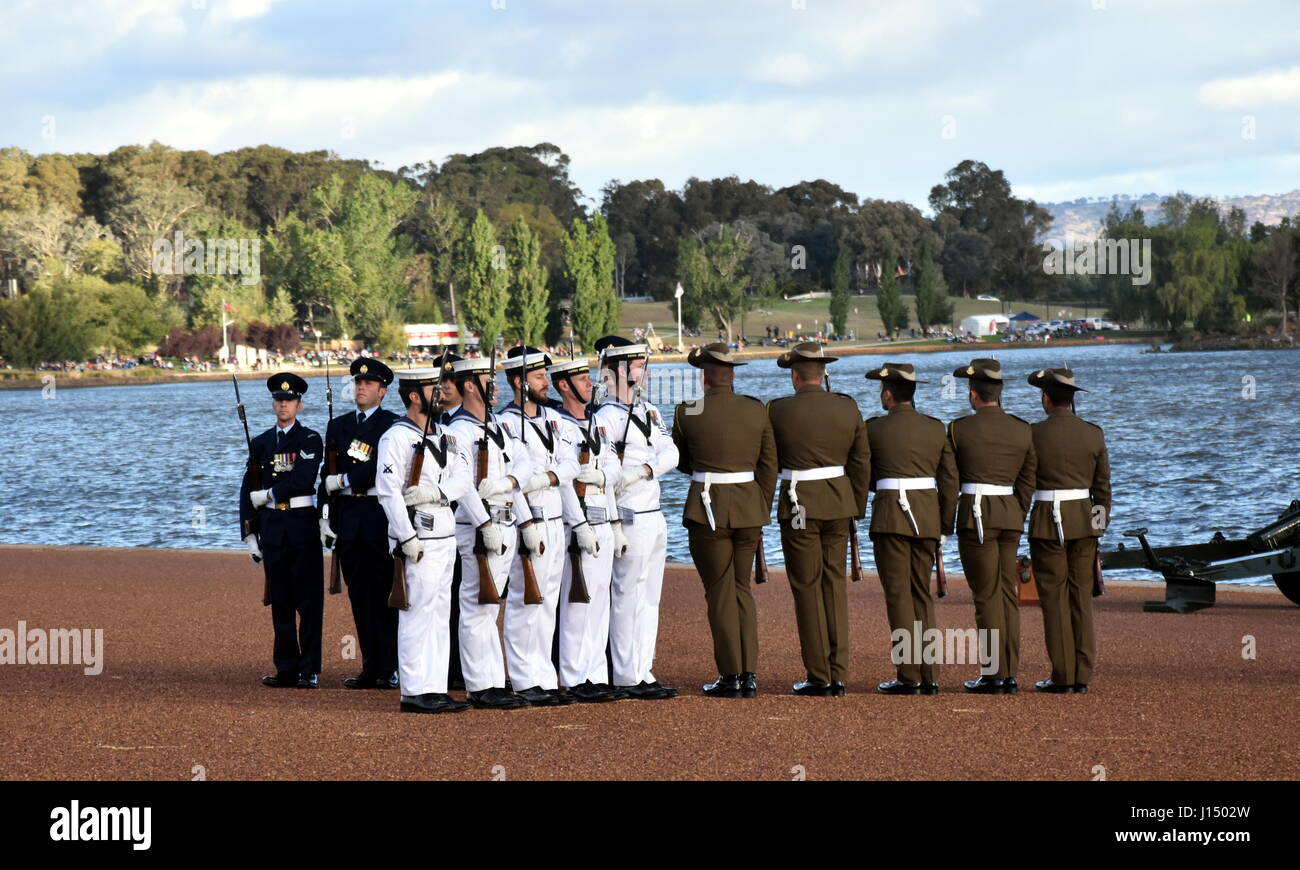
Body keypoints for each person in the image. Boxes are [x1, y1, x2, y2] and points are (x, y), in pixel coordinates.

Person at [671, 343, 777, 698]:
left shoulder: (688, 412)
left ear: (704, 377)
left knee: (719, 591)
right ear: (731, 374)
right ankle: (749, 673)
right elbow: (768, 465)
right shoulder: (756, 409)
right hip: (749, 507)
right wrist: (759, 504)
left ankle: (731, 675)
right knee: (741, 588)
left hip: (708, 507)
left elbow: (683, 462)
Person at [767, 343, 871, 696]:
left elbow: (768, 460)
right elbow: (861, 462)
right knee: (833, 585)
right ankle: (838, 672)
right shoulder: (847, 407)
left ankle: (818, 675)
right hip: (839, 505)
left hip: (799, 508)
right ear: (823, 373)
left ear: (795, 375)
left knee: (806, 587)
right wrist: (856, 505)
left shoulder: (778, 410)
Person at [375, 368, 472, 714]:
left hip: (445, 532)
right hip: (419, 535)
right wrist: (407, 536)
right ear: (415, 396)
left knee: (439, 613)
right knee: (417, 613)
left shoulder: (446, 434)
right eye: (434, 388)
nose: (442, 392)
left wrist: (439, 491)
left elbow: (463, 478)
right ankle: (415, 690)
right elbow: (388, 494)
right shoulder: (396, 438)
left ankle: (435, 686)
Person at [592, 335, 680, 699]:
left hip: (654, 514)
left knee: (649, 599)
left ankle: (644, 668)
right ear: (618, 370)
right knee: (627, 597)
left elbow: (671, 453)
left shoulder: (650, 412)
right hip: (628, 516)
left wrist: (644, 470)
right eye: (638, 366)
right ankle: (627, 673)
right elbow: (607, 468)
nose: (643, 372)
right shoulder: (605, 418)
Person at [443, 356, 534, 709]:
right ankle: (480, 685)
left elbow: (524, 461)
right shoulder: (458, 430)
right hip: (479, 527)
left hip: (507, 520)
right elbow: (463, 485)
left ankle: (495, 680)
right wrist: (483, 524)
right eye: (487, 379)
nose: (494, 385)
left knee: (490, 606)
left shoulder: (498, 425)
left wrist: (509, 483)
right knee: (477, 604)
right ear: (470, 385)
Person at [864, 363, 958, 695]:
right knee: (921, 595)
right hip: (928, 518)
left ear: (888, 395)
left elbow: (865, 474)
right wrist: (946, 524)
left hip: (891, 516)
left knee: (898, 596)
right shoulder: (936, 428)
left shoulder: (873, 429)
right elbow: (949, 481)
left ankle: (908, 676)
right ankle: (928, 674)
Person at [947, 359, 1036, 694]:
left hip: (977, 515)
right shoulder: (1022, 428)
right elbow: (1028, 478)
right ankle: (1009, 671)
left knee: (985, 595)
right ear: (998, 393)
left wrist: (947, 519)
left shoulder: (958, 429)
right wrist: (1016, 511)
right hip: (1010, 514)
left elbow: (950, 479)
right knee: (1006, 594)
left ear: (973, 395)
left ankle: (993, 673)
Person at [498, 347, 580, 706]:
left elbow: (570, 467)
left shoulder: (554, 419)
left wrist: (545, 477)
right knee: (523, 600)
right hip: (527, 521)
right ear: (519, 382)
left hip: (556, 519)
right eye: (539, 377)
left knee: (546, 603)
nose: (547, 382)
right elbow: (510, 479)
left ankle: (544, 676)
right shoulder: (503, 423)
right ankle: (522, 678)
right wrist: (525, 520)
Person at [547, 356, 630, 702]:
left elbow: (613, 469)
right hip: (576, 520)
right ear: (563, 385)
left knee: (599, 603)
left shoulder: (597, 423)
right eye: (581, 379)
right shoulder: (558, 424)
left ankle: (595, 673)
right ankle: (574, 674)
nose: (589, 384)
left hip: (602, 514)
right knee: (577, 600)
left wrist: (614, 522)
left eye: (588, 378)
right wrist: (578, 523)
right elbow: (564, 481)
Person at [1025, 368, 1111, 694]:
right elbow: (1103, 490)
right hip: (1084, 523)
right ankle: (1082, 675)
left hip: (1047, 520)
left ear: (1046, 399)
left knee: (1054, 599)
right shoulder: (1093, 433)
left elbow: (1026, 483)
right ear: (1072, 400)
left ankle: (1062, 675)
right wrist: (1098, 529)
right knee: (1081, 599)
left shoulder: (1032, 433)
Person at [319, 358, 401, 690]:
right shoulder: (338, 426)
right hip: (349, 521)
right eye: (358, 382)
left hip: (377, 516)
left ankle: (391, 666)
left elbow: (383, 467)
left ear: (382, 391)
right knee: (360, 598)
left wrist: (346, 479)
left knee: (386, 596)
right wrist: (325, 517)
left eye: (368, 383)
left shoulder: (391, 424)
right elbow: (325, 475)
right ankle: (371, 667)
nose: (361, 387)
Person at [240, 373, 325, 689]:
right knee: (281, 602)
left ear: (299, 405)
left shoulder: (310, 440)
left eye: (289, 400)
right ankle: (287, 667)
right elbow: (248, 487)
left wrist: (271, 495)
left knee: (309, 602)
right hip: (273, 528)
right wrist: (249, 533)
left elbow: (303, 480)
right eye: (278, 400)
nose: (283, 404)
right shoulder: (261, 442)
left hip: (302, 525)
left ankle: (310, 668)